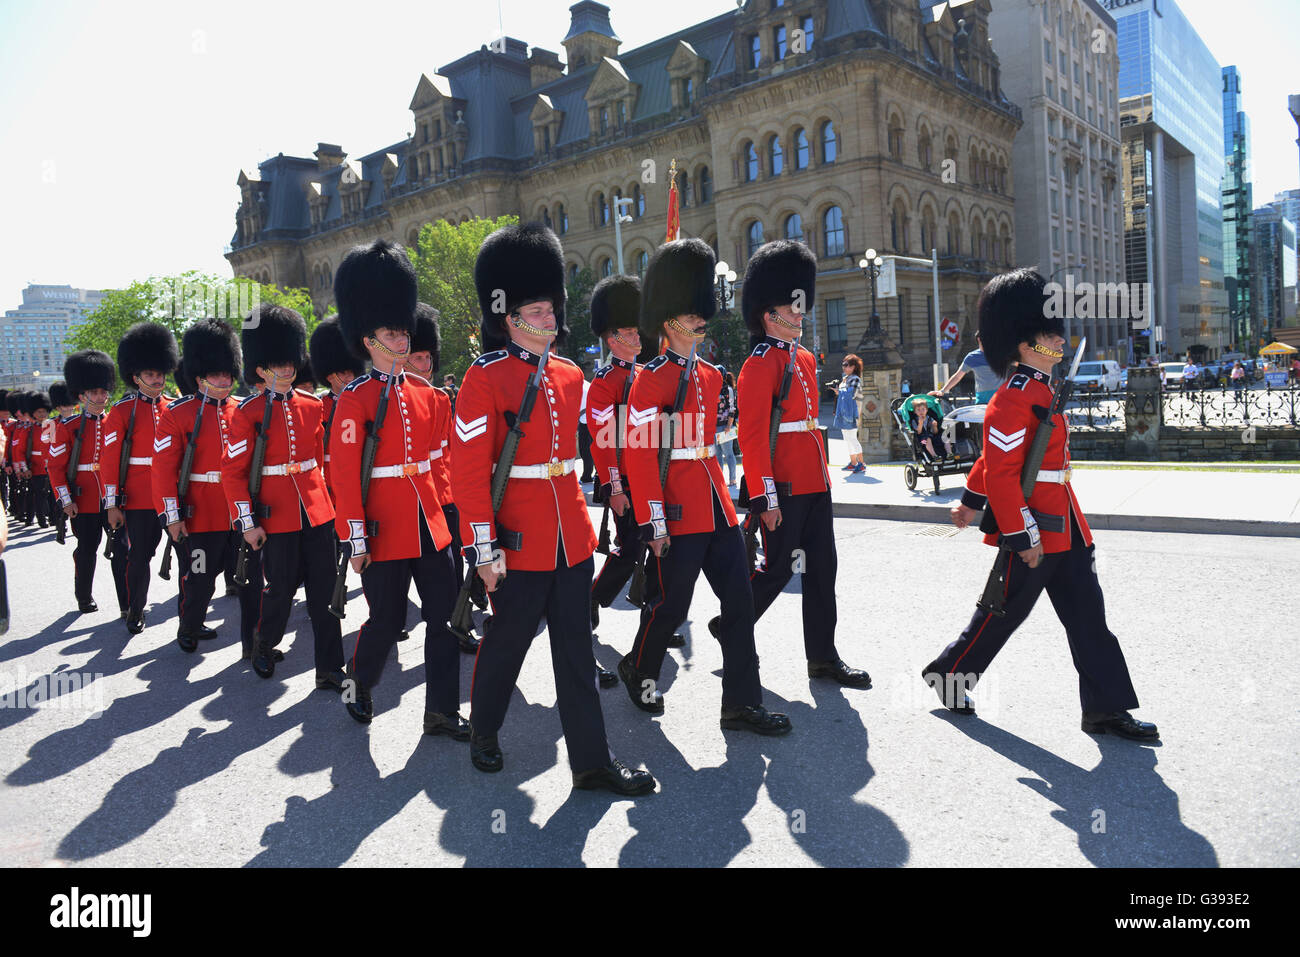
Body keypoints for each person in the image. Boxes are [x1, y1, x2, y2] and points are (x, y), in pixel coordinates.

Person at [454, 221, 655, 794]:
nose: (549, 319)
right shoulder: (484, 378)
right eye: (535, 311)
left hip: (570, 539)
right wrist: (483, 549)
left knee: (574, 654)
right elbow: (469, 473)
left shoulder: (569, 376)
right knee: (507, 646)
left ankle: (592, 762)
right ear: (507, 317)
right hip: (518, 543)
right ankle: (485, 730)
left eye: (550, 309)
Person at [921, 267, 1159, 742]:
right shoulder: (1012, 398)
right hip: (1035, 526)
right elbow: (1004, 473)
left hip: (1065, 525)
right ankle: (950, 674)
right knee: (1001, 614)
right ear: (1026, 341)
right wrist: (1021, 534)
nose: (1059, 337)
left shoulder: (1040, 389)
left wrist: (969, 502)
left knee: (1090, 618)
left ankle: (1105, 709)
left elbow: (994, 462)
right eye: (1050, 331)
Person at [619, 237, 793, 733]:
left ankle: (741, 703)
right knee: (671, 605)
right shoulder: (649, 379)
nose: (700, 321)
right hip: (676, 508)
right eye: (690, 315)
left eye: (700, 313)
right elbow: (639, 453)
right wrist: (652, 519)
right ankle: (640, 668)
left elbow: (710, 444)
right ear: (667, 321)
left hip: (716, 502)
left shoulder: (713, 375)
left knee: (739, 603)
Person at [329, 238, 466, 736]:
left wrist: (459, 522)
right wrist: (356, 537)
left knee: (446, 619)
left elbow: (441, 463)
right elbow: (344, 476)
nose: (403, 339)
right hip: (383, 529)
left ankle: (442, 711)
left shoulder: (430, 396)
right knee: (386, 622)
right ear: (369, 339)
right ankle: (359, 680)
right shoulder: (354, 401)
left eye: (404, 329)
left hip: (431, 525)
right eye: (391, 331)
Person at [722, 239, 871, 689]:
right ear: (770, 314)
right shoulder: (759, 364)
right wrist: (764, 495)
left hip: (815, 482)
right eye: (793, 306)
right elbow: (751, 437)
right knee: (779, 567)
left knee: (823, 570)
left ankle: (823, 658)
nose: (801, 312)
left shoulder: (803, 358)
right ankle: (733, 625)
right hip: (783, 485)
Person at [224, 304, 345, 688]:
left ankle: (329, 666)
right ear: (260, 369)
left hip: (316, 510)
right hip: (275, 515)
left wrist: (332, 507)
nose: (287, 369)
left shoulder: (312, 406)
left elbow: (318, 463)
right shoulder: (247, 412)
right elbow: (233, 472)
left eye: (290, 361)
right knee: (279, 589)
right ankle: (263, 644)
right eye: (277, 363)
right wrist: (247, 522)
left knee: (325, 591)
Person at [153, 319, 242, 654]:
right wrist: (172, 516)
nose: (223, 381)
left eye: (227, 374)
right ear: (200, 376)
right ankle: (189, 626)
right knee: (201, 577)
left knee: (244, 578)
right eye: (215, 375)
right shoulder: (178, 414)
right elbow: (163, 469)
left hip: (238, 513)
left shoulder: (242, 411)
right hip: (200, 516)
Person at [100, 321, 181, 635]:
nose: (157, 379)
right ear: (136, 377)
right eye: (150, 375)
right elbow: (109, 462)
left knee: (190, 555)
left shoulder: (173, 408)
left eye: (160, 373)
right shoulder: (121, 412)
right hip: (140, 496)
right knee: (140, 555)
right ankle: (136, 609)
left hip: (173, 493)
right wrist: (112, 504)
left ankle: (191, 615)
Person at [406, 301, 477, 654]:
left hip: (446, 494)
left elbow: (449, 451)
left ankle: (460, 622)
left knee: (458, 564)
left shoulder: (439, 398)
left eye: (427, 358)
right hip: (420, 498)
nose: (426, 364)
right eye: (418, 358)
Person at [48, 351, 120, 615]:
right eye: (95, 392)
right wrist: (66, 500)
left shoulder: (115, 422)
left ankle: (127, 604)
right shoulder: (68, 427)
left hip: (112, 498)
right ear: (81, 396)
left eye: (104, 392)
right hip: (84, 499)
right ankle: (84, 596)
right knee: (88, 549)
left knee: (122, 551)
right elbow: (54, 467)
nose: (101, 397)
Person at [932, 333, 1000, 403]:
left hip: (1000, 400)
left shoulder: (1001, 354)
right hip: (982, 401)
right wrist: (942, 391)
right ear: (979, 339)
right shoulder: (972, 357)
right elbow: (957, 376)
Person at [835, 354, 864, 472]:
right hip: (844, 412)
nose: (844, 367)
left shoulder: (855, 379)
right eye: (843, 364)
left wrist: (839, 391)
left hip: (852, 412)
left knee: (852, 438)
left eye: (846, 365)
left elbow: (850, 395)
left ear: (853, 367)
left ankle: (861, 463)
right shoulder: (846, 378)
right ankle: (853, 462)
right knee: (847, 438)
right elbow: (843, 395)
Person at [713, 368, 738, 485]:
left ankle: (732, 479)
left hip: (724, 427)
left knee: (728, 454)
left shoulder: (728, 390)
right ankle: (720, 480)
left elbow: (732, 409)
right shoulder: (711, 388)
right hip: (713, 427)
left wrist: (729, 425)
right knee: (717, 455)